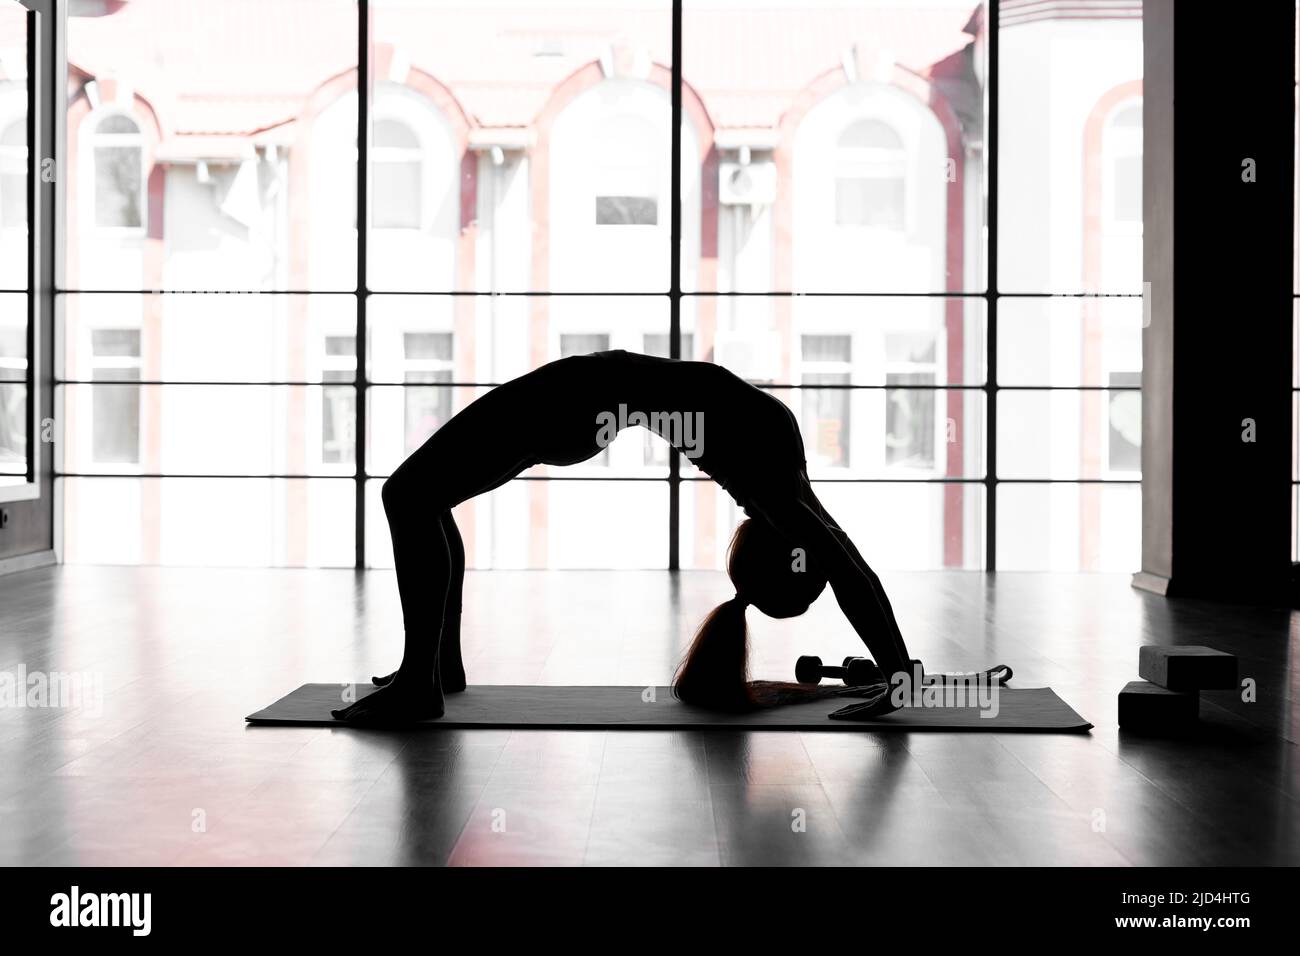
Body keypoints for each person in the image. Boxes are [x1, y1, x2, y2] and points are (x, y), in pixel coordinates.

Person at [332, 349, 915, 723]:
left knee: (408, 496)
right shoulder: (779, 477)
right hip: (582, 399)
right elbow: (846, 563)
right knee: (420, 497)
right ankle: (436, 670)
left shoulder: (773, 466)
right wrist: (897, 671)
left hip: (577, 399)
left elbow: (845, 565)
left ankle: (420, 682)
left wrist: (898, 672)